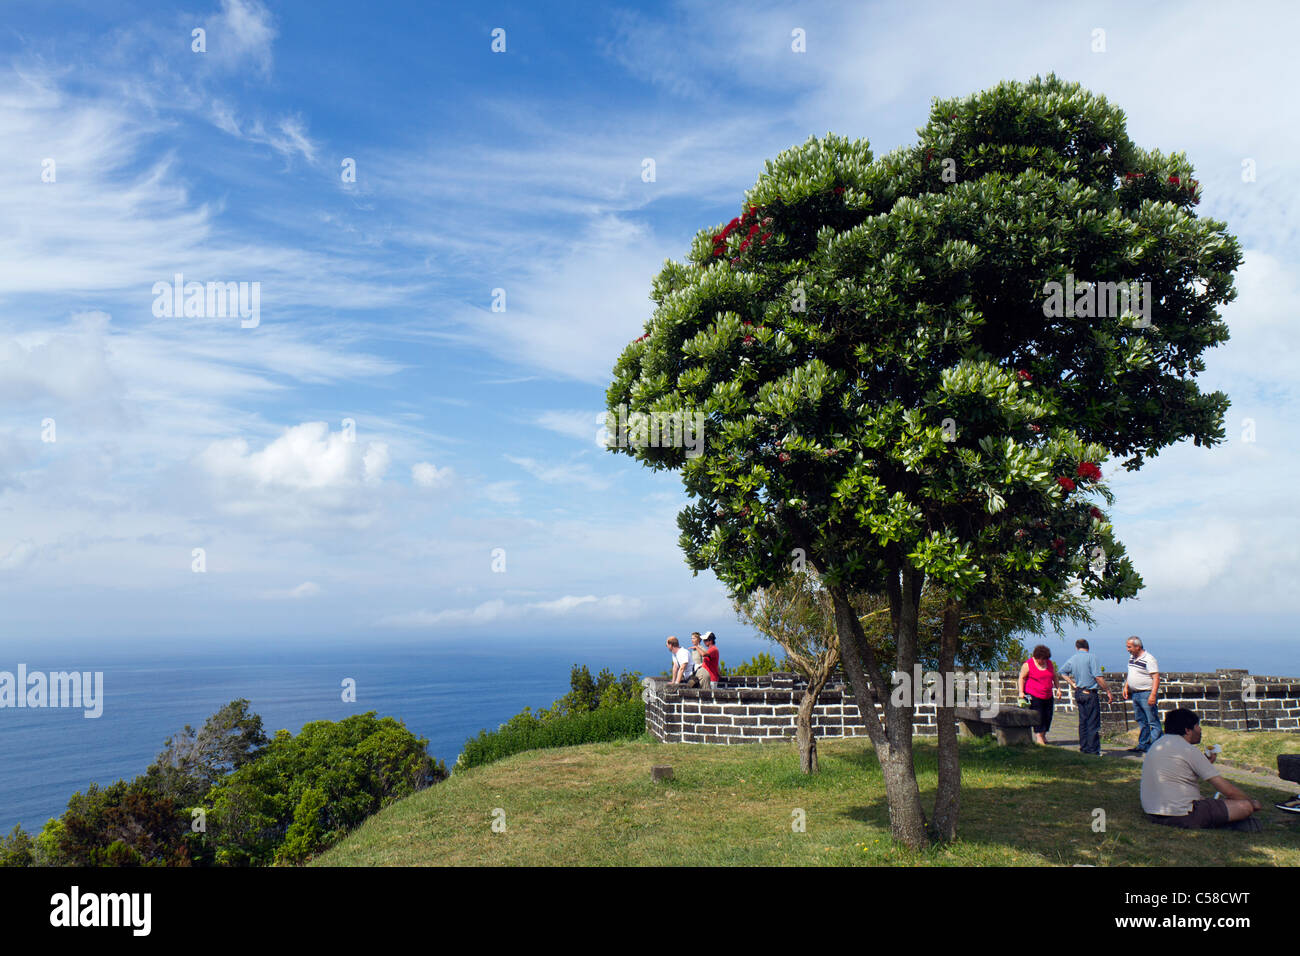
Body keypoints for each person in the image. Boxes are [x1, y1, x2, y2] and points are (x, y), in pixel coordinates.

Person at [1141, 708, 1263, 829]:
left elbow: (1180, 773)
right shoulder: (1188, 749)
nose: (1200, 730)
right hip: (1181, 814)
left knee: (1209, 801)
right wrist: (1251, 803)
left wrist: (1205, 762)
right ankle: (1225, 824)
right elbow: (1227, 790)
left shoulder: (1157, 745)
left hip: (1153, 812)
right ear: (1187, 730)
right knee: (1244, 806)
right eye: (1197, 726)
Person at [1058, 638, 1114, 756]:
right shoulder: (1091, 657)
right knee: (1093, 722)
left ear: (1076, 647)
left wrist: (1072, 683)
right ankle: (1093, 749)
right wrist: (1107, 690)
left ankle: (1084, 747)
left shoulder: (1073, 658)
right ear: (1088, 647)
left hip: (1079, 692)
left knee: (1083, 721)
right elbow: (1098, 677)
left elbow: (1062, 672)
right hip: (1090, 693)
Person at [1123, 636, 1162, 753]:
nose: (1127, 649)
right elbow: (1131, 673)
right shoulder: (1132, 658)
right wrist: (1126, 686)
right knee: (1141, 721)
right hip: (1135, 693)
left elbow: (1156, 678)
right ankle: (1143, 745)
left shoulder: (1149, 659)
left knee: (1152, 721)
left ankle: (1155, 746)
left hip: (1146, 693)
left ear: (1137, 646)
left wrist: (1153, 695)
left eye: (1129, 647)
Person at [1017, 645, 1060, 745]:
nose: (1044, 661)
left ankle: (1043, 735)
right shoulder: (1028, 664)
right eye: (1042, 659)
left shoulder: (1049, 664)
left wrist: (1058, 689)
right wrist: (1021, 692)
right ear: (1037, 657)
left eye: (1046, 659)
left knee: (1048, 715)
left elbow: (1054, 676)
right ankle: (1039, 737)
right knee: (1038, 716)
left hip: (1048, 695)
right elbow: (1022, 678)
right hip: (1034, 694)